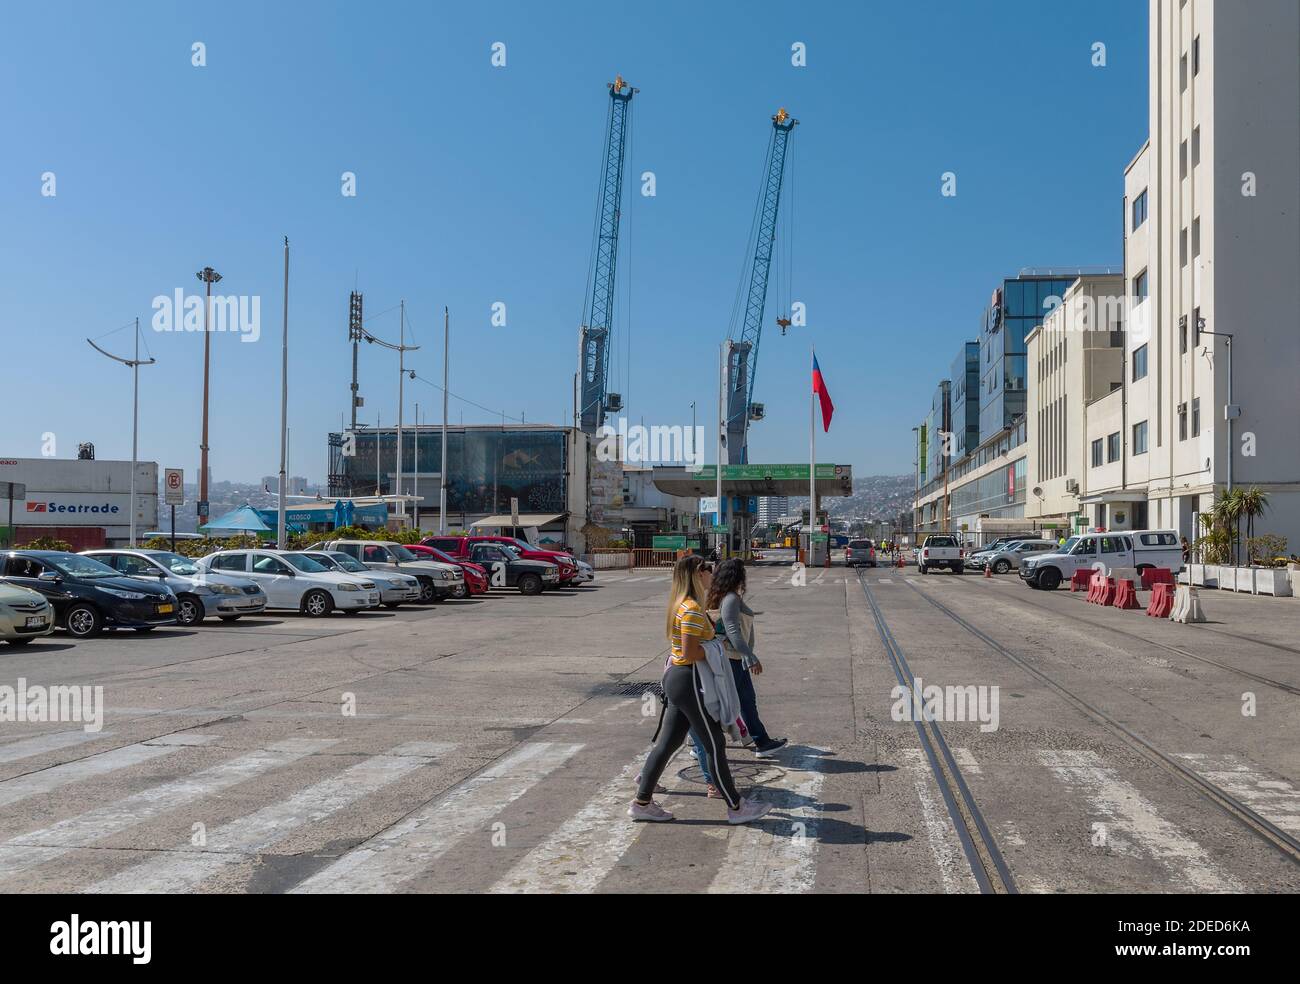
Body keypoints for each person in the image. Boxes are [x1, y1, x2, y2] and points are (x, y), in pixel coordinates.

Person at [629, 555, 772, 824]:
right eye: (709, 570)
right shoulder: (693, 608)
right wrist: (715, 650)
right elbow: (690, 652)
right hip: (689, 679)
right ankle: (737, 807)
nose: (713, 574)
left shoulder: (681, 604)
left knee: (669, 743)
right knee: (714, 743)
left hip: (678, 679)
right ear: (698, 573)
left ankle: (642, 802)